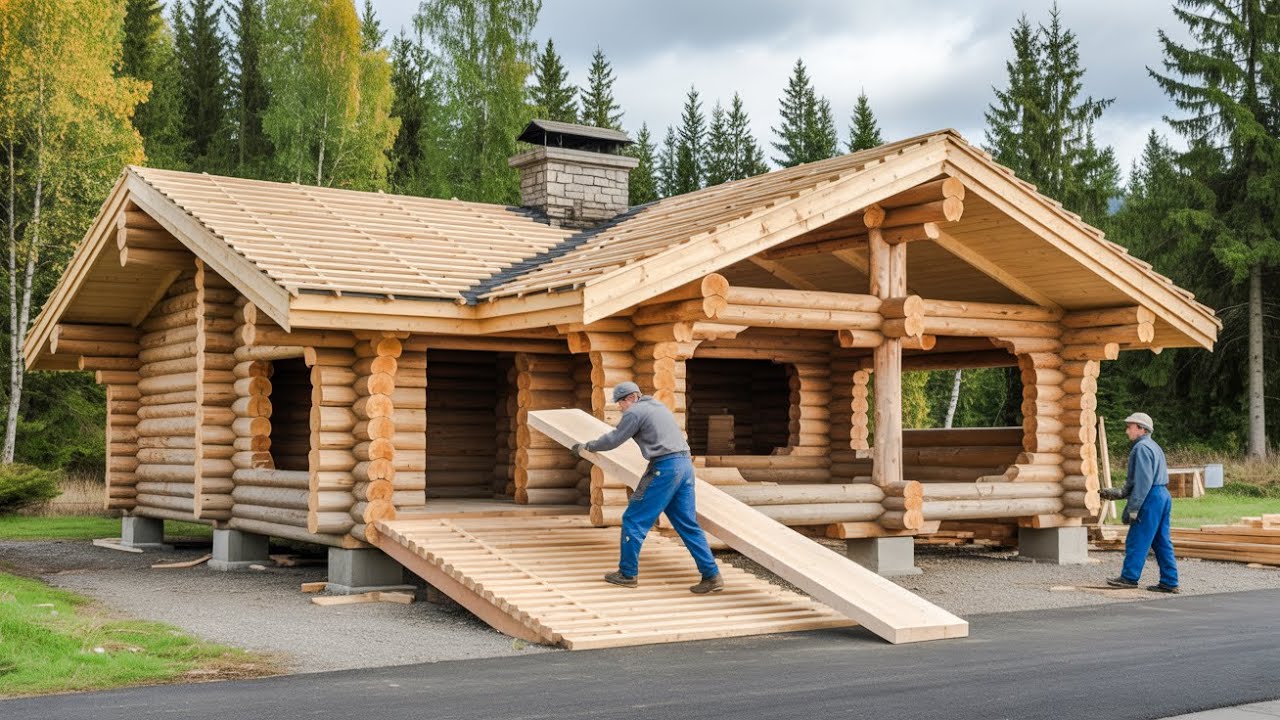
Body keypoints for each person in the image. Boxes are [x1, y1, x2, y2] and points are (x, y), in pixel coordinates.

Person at [571, 381, 723, 594]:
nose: (621, 408)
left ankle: (627, 574)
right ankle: (712, 575)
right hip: (684, 466)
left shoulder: (634, 412)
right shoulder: (657, 406)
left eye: (620, 404)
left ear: (629, 398)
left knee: (633, 519)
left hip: (665, 469)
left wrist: (587, 447)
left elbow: (614, 439)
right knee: (687, 523)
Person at [1100, 412, 1179, 593]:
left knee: (1137, 539)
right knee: (1161, 541)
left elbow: (1143, 482)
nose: (1127, 430)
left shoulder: (1141, 448)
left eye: (1130, 427)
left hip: (1151, 496)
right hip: (1162, 495)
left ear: (1141, 429)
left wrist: (1134, 508)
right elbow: (1139, 481)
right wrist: (1118, 493)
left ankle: (1129, 577)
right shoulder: (1153, 446)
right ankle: (1170, 581)